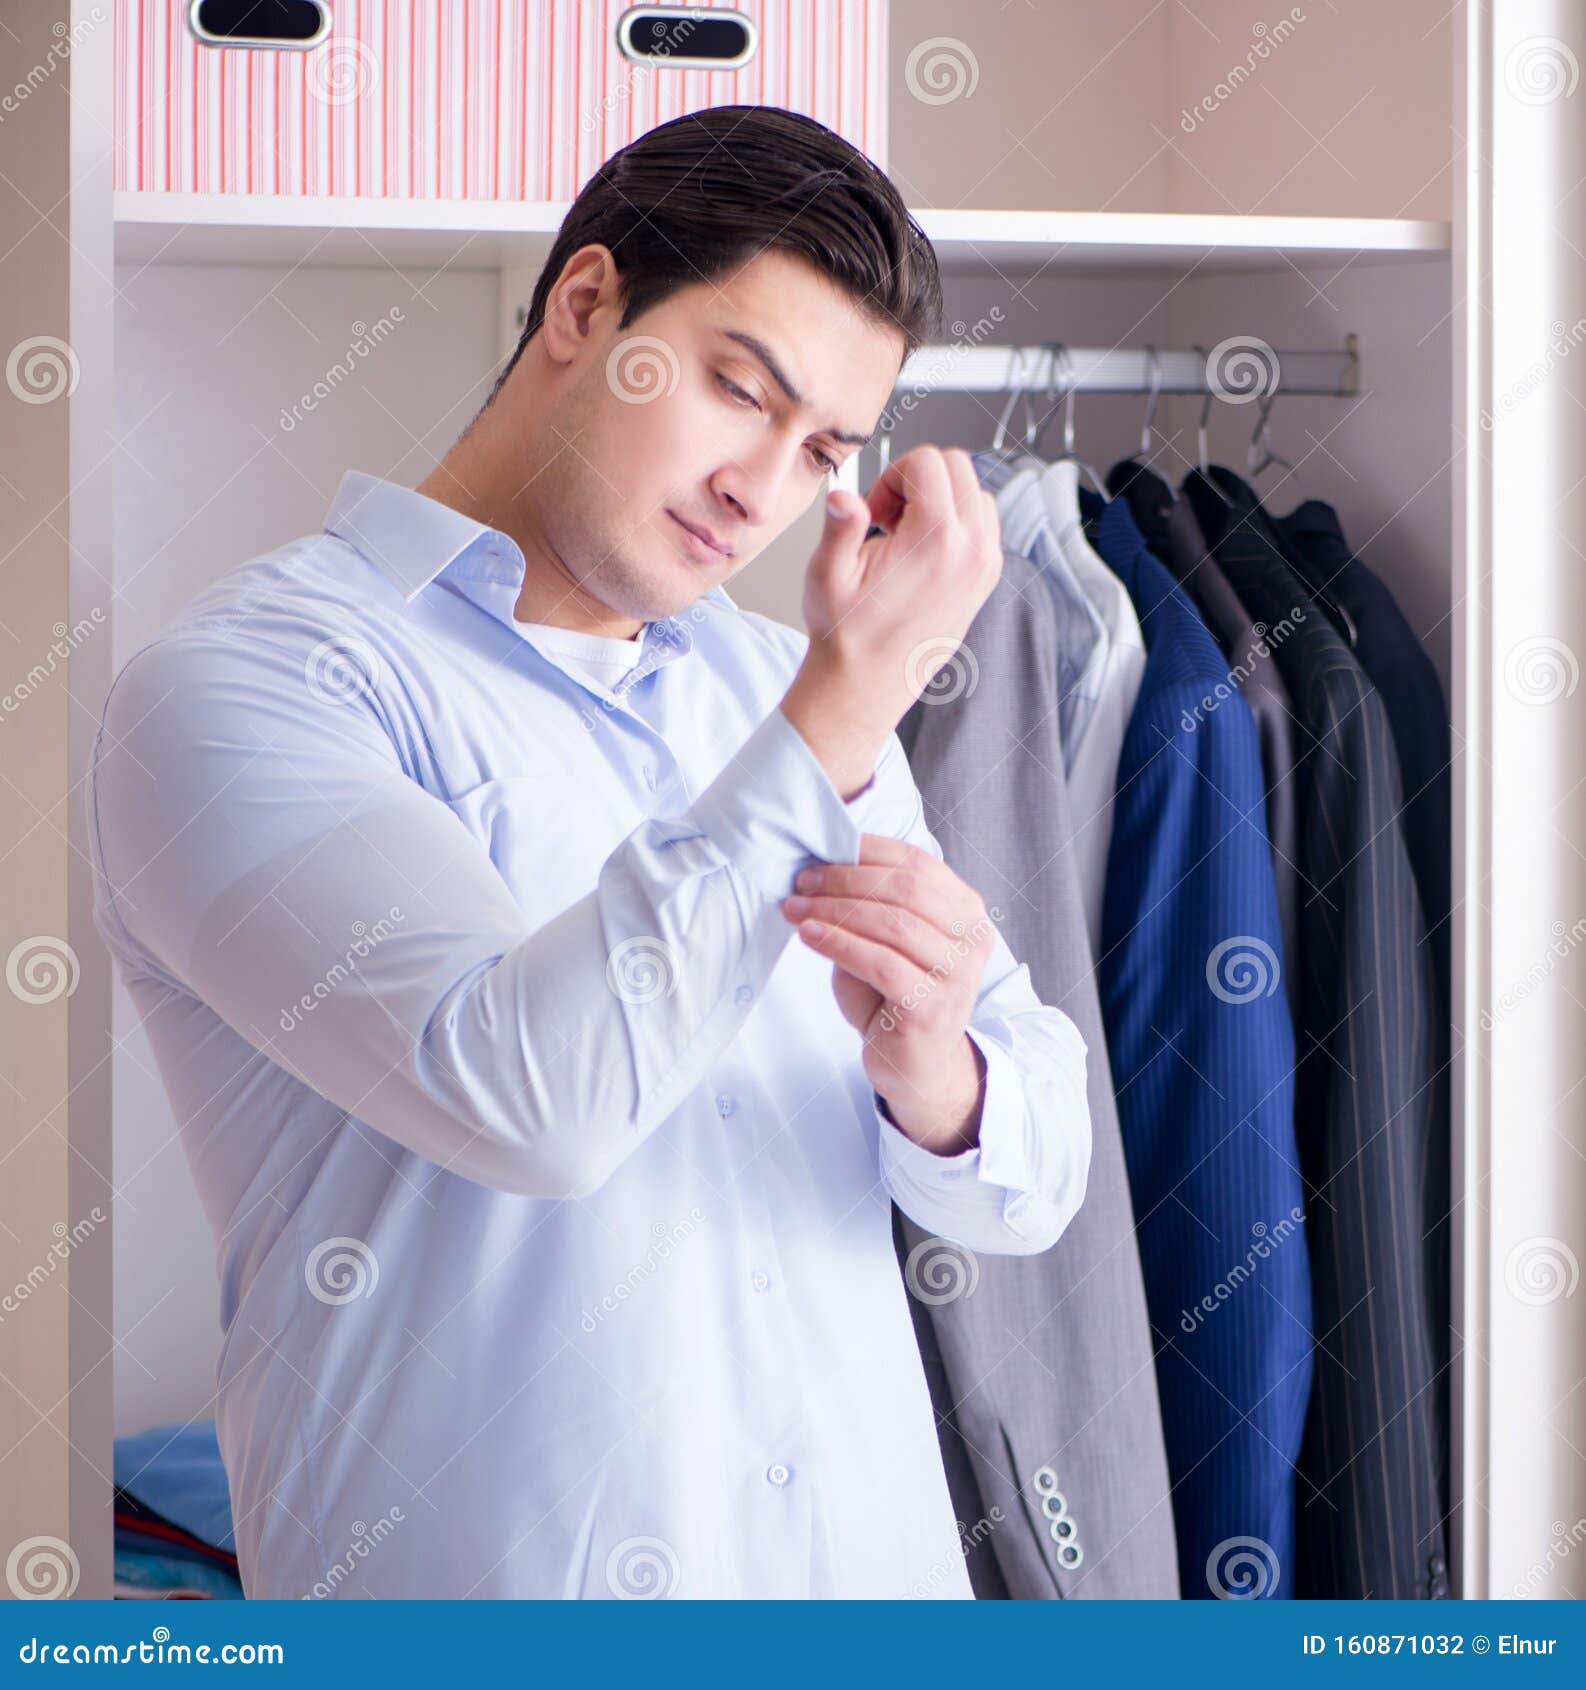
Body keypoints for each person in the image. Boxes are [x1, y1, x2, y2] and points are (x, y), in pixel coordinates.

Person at [87, 105, 1092, 1599]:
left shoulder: (773, 689)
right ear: (582, 307)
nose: (762, 486)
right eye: (736, 390)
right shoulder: (243, 688)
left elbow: (1035, 1177)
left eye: (818, 445)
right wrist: (838, 708)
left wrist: (938, 1073)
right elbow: (530, 1102)